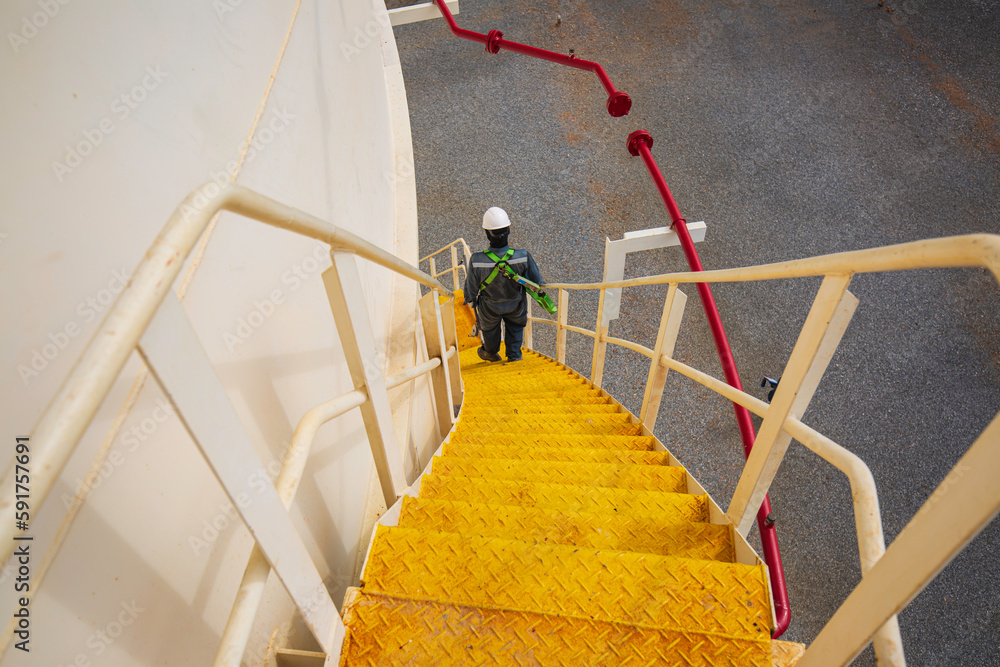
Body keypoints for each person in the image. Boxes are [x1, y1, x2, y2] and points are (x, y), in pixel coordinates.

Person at [463, 206, 545, 363]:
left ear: (487, 233)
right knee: (515, 330)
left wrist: (470, 299)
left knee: (489, 331)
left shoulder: (477, 260)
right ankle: (514, 356)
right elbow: (538, 283)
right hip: (516, 305)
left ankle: (491, 353)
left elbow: (471, 291)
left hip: (489, 308)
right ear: (508, 230)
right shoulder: (523, 257)